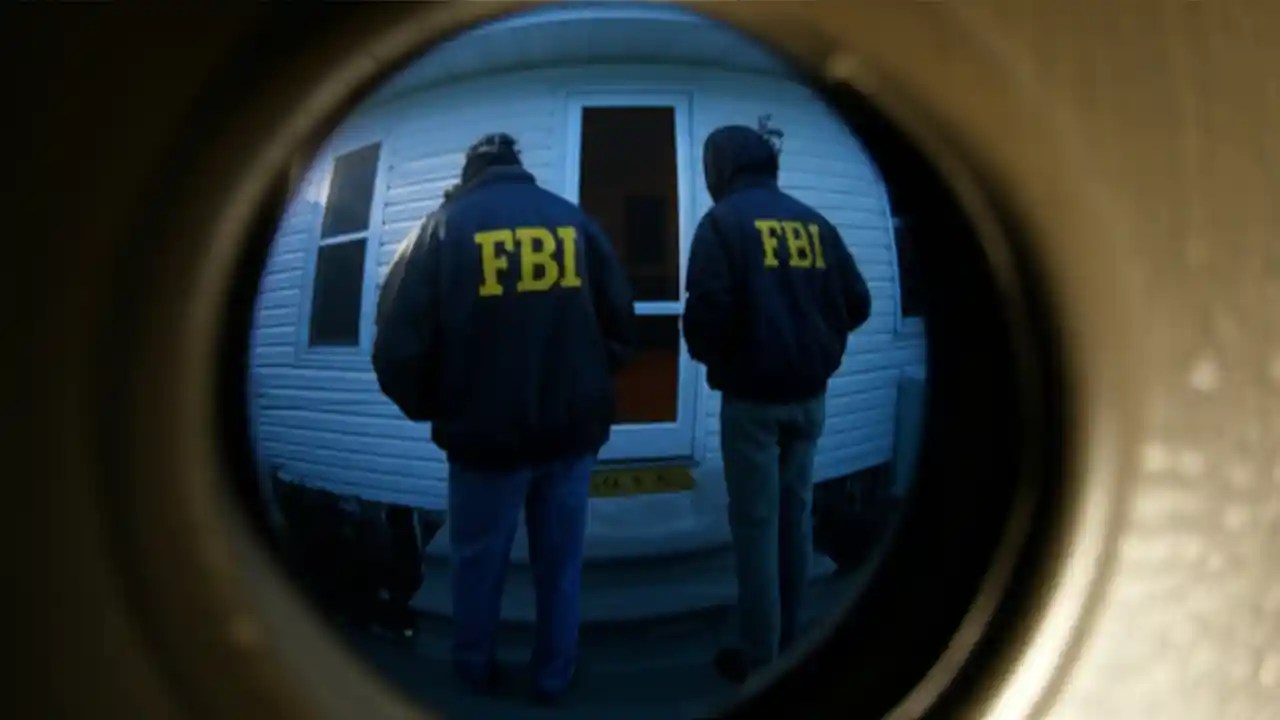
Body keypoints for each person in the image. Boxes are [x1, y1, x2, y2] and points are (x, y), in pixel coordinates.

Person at [372, 133, 637, 704]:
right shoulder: (577, 223)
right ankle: (554, 677)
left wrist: (444, 407)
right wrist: (584, 383)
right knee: (560, 567)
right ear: (519, 169)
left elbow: (396, 353)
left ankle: (474, 672)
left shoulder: (441, 228)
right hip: (570, 437)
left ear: (470, 174)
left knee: (476, 566)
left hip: (484, 443)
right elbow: (623, 329)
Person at [682, 123, 872, 684]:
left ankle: (761, 658)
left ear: (720, 168)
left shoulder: (722, 224)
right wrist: (817, 339)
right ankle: (793, 639)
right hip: (810, 402)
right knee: (796, 520)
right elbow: (857, 303)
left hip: (753, 406)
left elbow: (705, 323)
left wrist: (728, 356)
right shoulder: (814, 223)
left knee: (756, 529)